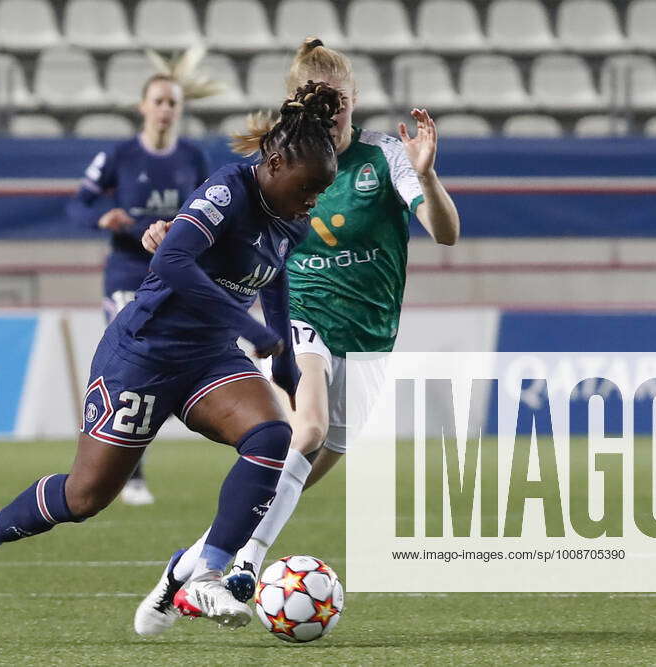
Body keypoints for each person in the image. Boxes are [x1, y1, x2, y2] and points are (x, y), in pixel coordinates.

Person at [0, 81, 344, 632]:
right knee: (85, 496)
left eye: (320, 190)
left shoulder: (290, 215)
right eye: (309, 187)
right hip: (143, 353)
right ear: (273, 163)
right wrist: (248, 328)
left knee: (271, 436)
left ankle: (206, 577)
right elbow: (172, 264)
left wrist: (285, 363)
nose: (313, 200)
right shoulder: (227, 192)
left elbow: (274, 277)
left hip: (208, 358)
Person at [135, 37, 460, 633]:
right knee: (301, 429)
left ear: (356, 100)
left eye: (344, 101)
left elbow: (446, 234)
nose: (336, 112)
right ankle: (239, 570)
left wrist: (428, 177)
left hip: (368, 333)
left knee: (309, 466)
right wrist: (167, 233)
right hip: (298, 313)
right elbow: (213, 222)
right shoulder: (277, 164)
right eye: (326, 102)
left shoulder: (384, 156)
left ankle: (185, 565)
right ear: (300, 103)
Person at [66, 49, 215, 505]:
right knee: (136, 358)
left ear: (180, 110)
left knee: (169, 367)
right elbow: (77, 205)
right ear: (143, 107)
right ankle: (129, 473)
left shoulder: (194, 157)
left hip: (178, 273)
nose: (166, 110)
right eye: (159, 101)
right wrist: (102, 218)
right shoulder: (119, 155)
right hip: (128, 271)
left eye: (173, 103)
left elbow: (214, 209)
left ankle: (130, 449)